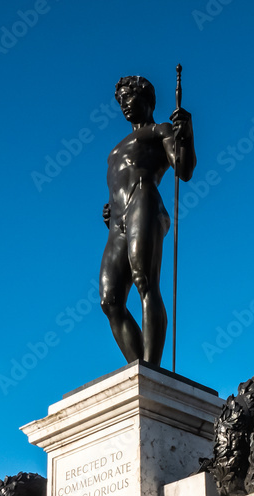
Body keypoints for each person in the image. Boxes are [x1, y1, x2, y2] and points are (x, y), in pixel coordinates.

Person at [99, 75, 196, 365]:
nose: (124, 105)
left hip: (144, 201)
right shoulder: (115, 150)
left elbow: (184, 168)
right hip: (118, 219)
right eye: (120, 101)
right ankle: (139, 368)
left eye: (129, 97)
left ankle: (151, 368)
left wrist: (186, 133)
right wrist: (109, 208)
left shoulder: (160, 130)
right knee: (110, 300)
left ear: (147, 99)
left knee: (145, 282)